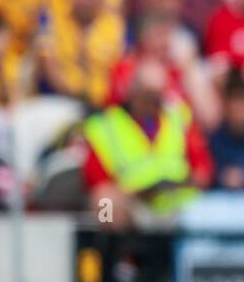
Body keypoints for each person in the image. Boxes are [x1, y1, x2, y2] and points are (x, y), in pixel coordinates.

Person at [82, 58, 212, 228]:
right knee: (104, 204)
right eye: (148, 96)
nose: (153, 103)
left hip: (178, 204)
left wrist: (185, 184)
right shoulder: (106, 126)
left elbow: (203, 171)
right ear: (133, 92)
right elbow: (97, 183)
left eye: (158, 96)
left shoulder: (178, 116)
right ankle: (111, 251)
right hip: (133, 204)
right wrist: (130, 193)